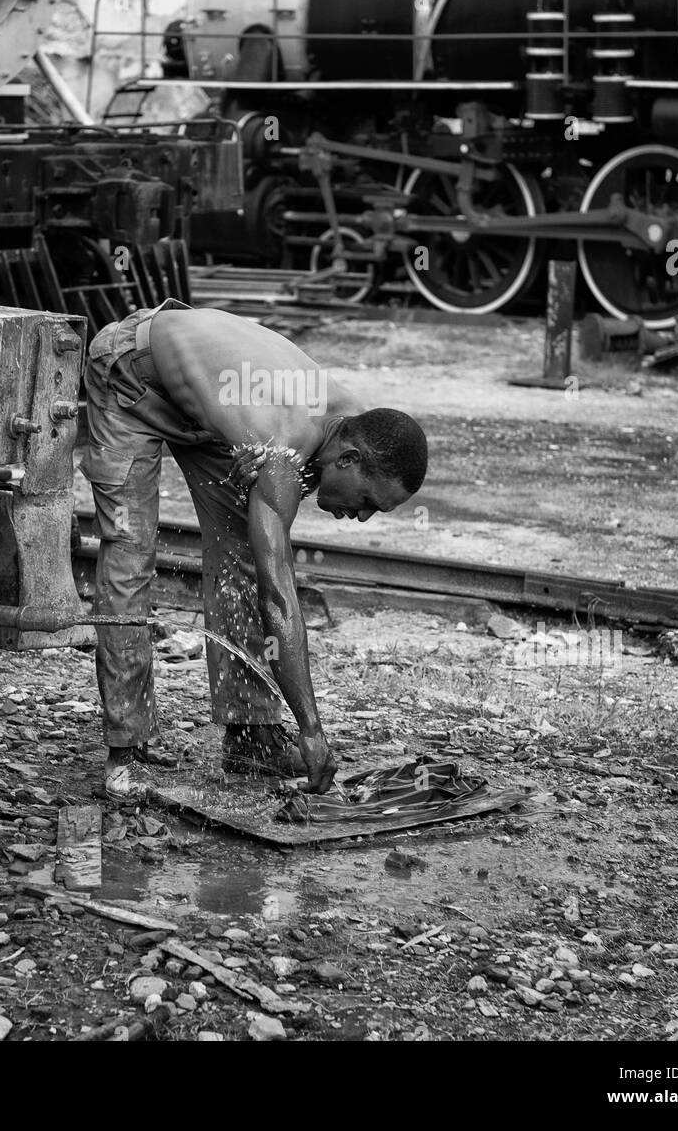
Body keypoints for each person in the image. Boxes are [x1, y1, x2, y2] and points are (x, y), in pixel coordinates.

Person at [82, 298, 428, 798]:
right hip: (132, 376)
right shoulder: (284, 448)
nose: (363, 516)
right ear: (348, 459)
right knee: (130, 558)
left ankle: (251, 736)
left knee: (242, 553)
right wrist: (312, 728)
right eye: (369, 502)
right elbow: (279, 596)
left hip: (207, 403)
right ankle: (125, 746)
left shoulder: (352, 422)